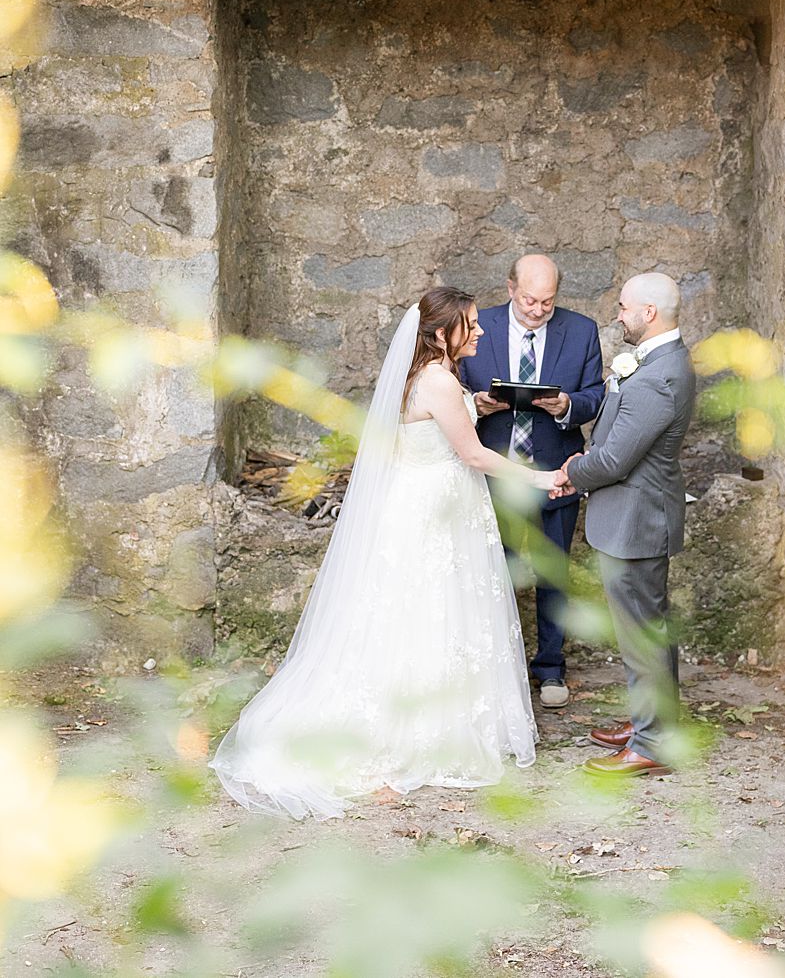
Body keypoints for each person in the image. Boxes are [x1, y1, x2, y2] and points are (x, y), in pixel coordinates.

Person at [212, 288, 562, 818]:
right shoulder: (440, 380)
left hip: (422, 506)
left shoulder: (419, 378)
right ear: (443, 334)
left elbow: (429, 429)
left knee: (414, 614)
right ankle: (416, 733)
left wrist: (473, 404)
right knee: (433, 616)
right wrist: (540, 478)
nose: (483, 330)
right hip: (436, 516)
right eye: (472, 323)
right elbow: (472, 453)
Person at [550, 272, 695, 778]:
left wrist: (572, 472)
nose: (618, 314)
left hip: (635, 520)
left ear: (649, 313)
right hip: (631, 516)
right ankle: (652, 726)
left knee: (642, 635)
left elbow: (615, 459)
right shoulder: (658, 364)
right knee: (646, 629)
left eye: (623, 307)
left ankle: (653, 743)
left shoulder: (660, 375)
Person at [459, 253, 606, 708]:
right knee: (490, 571)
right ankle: (493, 670)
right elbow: (451, 385)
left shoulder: (580, 330)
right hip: (491, 471)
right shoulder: (476, 326)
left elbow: (596, 393)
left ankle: (550, 668)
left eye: (547, 301)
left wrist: (566, 406)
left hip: (554, 470)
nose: (539, 309)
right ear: (509, 288)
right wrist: (475, 405)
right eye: (529, 299)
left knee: (554, 573)